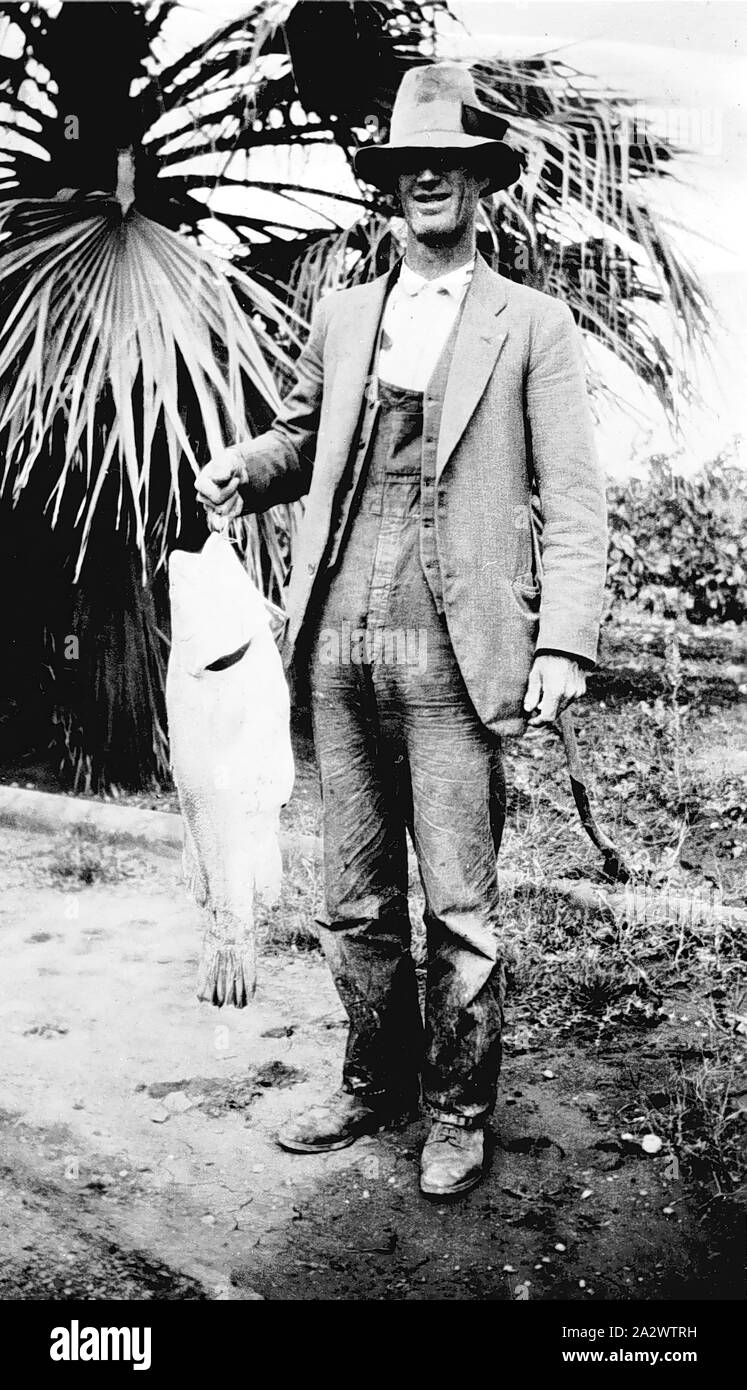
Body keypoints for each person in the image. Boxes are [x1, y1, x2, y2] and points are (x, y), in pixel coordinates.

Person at [196, 63, 607, 1199]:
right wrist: (248, 466)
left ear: (481, 182)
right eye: (407, 165)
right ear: (390, 185)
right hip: (339, 633)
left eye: (450, 163)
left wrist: (562, 642)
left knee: (460, 901)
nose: (427, 177)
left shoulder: (533, 325)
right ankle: (371, 1079)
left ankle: (459, 1108)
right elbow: (296, 439)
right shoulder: (344, 315)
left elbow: (573, 500)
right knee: (353, 889)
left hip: (457, 643)